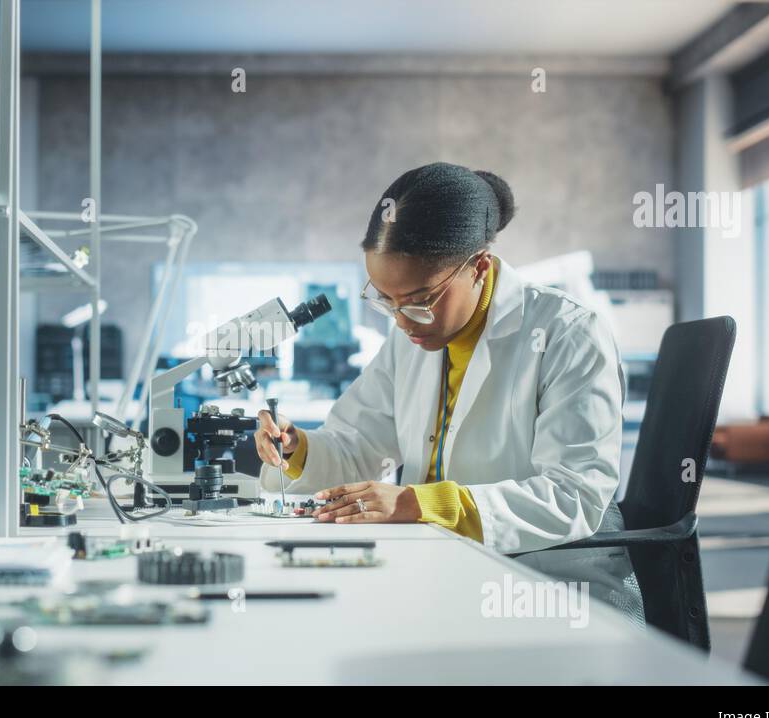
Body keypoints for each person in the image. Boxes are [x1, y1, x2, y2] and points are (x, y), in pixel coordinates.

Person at [255, 162, 642, 620]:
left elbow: (573, 495)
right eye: (384, 299)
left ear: (478, 266)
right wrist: (298, 448)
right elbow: (359, 444)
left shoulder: (567, 332)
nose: (400, 320)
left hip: (543, 583)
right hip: (440, 566)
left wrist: (419, 503)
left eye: (419, 301)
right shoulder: (410, 336)